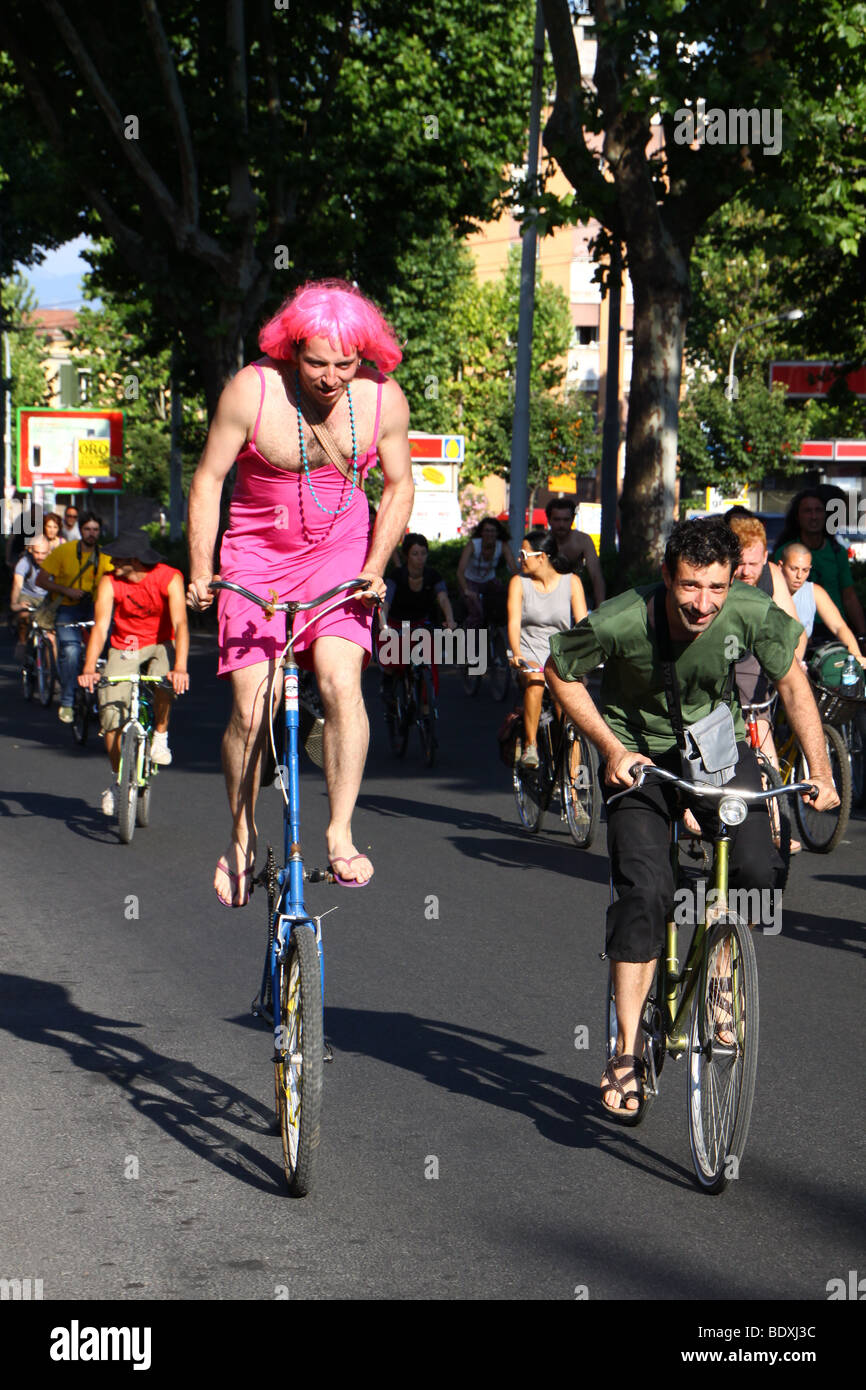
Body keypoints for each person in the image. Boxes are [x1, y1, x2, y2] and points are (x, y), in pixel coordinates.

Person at [544, 517, 838, 1118]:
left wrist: (821, 769)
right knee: (646, 893)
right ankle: (625, 1052)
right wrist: (610, 748)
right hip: (640, 757)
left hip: (716, 748)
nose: (703, 604)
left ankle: (723, 975)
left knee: (760, 870)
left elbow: (791, 681)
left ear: (733, 581)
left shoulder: (749, 610)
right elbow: (559, 671)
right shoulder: (625, 618)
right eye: (689, 587)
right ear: (666, 578)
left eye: (716, 589)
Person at [187, 278, 414, 902]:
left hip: (340, 558)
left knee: (343, 682)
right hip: (254, 559)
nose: (331, 376)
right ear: (291, 350)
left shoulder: (381, 399)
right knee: (250, 709)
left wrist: (375, 564)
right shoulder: (252, 390)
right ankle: (240, 837)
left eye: (346, 362)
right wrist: (202, 569)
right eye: (317, 361)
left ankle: (340, 830)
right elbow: (208, 479)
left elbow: (398, 485)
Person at [78, 531, 189, 815]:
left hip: (160, 643)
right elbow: (101, 627)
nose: (112, 561)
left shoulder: (169, 577)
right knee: (111, 714)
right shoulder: (109, 581)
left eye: (117, 558)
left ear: (134, 560)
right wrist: (90, 667)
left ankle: (160, 737)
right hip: (124, 645)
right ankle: (119, 781)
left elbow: (180, 624)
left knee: (165, 682)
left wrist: (181, 668)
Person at [506, 530, 587, 768]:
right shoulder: (518, 583)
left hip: (561, 656)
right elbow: (513, 623)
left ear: (542, 557)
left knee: (570, 711)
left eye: (523, 554)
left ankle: (574, 791)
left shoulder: (571, 582)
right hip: (529, 654)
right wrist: (516, 653)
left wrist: (585, 660)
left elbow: (583, 625)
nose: (519, 559)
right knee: (536, 680)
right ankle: (531, 747)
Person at [35, 512, 113, 722]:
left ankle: (103, 698)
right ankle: (68, 702)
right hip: (68, 608)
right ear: (80, 530)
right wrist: (66, 590)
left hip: (95, 608)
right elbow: (40, 580)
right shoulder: (64, 551)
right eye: (87, 529)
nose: (91, 534)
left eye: (95, 530)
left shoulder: (105, 556)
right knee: (70, 652)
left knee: (106, 652)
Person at [773, 488, 866, 643]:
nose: (814, 516)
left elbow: (849, 596)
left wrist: (862, 635)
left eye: (818, 510)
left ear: (826, 515)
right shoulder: (784, 552)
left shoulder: (838, 552)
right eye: (807, 511)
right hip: (796, 630)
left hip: (834, 630)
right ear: (797, 516)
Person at [377, 532, 457, 707]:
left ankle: (428, 710)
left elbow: (443, 599)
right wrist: (383, 625)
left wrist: (450, 620)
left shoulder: (433, 575)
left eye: (423, 553)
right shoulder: (396, 577)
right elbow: (386, 603)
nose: (420, 558)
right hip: (396, 624)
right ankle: (388, 683)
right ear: (407, 556)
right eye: (415, 554)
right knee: (393, 658)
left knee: (429, 663)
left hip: (421, 624)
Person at [779, 541, 866, 665]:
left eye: (805, 570)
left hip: (801, 662)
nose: (799, 575)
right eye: (793, 569)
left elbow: (839, 627)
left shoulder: (814, 591)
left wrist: (856, 657)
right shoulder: (770, 590)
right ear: (780, 566)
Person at [456, 516, 518, 627]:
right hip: (470, 581)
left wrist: (519, 585)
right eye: (487, 531)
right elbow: (460, 571)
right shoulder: (473, 544)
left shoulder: (502, 546)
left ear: (497, 533)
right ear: (481, 532)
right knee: (477, 612)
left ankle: (496, 634)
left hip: (489, 580)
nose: (490, 534)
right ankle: (464, 637)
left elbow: (513, 569)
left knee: (504, 604)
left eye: (493, 531)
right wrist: (466, 590)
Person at [545, 496, 605, 607]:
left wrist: (600, 609)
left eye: (566, 520)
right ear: (549, 520)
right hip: (545, 596)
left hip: (576, 595)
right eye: (557, 519)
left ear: (573, 519)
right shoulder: (541, 542)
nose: (561, 525)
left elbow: (596, 575)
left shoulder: (583, 541)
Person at [10, 535, 51, 655]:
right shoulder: (24, 562)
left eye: (44, 553)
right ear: (30, 550)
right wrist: (14, 604)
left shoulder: (54, 561)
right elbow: (17, 584)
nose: (40, 557)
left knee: (51, 634)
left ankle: (50, 671)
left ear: (49, 551)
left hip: (46, 597)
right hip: (28, 595)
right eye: (37, 553)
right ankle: (22, 640)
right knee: (23, 615)